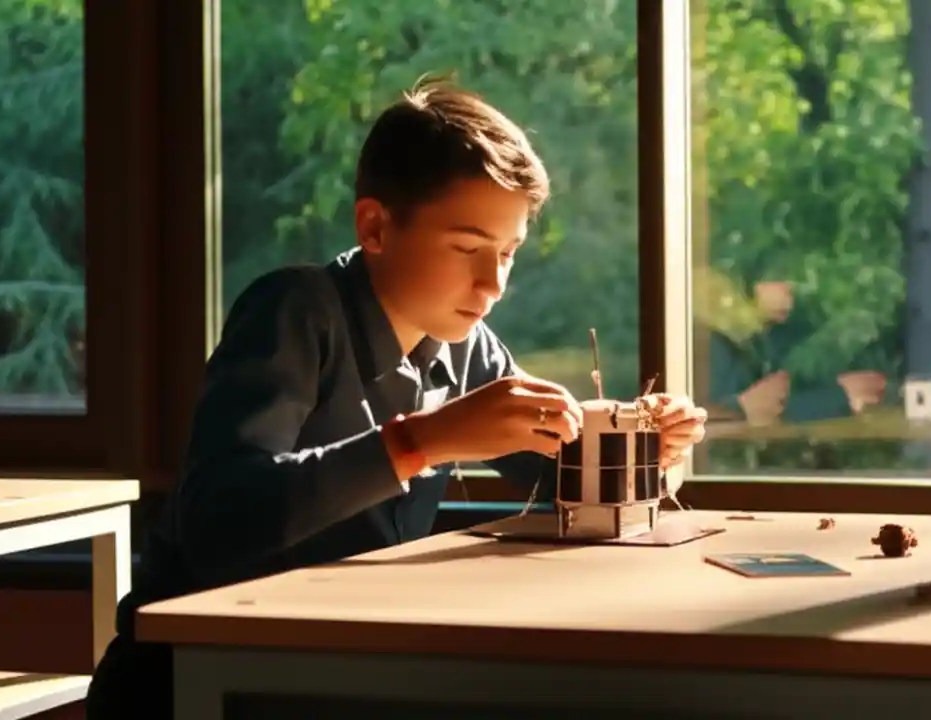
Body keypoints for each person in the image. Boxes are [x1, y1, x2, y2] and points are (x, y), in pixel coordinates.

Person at [84, 77, 708, 718]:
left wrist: (634, 442)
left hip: (335, 667)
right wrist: (424, 440)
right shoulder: (294, 313)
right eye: (467, 248)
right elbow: (220, 521)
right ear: (376, 227)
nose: (492, 283)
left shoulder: (468, 346)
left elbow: (555, 476)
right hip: (193, 681)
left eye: (509, 252)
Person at [706, 278, 886, 426]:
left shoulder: (774, 335)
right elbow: (744, 413)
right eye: (777, 276)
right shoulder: (710, 344)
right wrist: (840, 398)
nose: (790, 286)